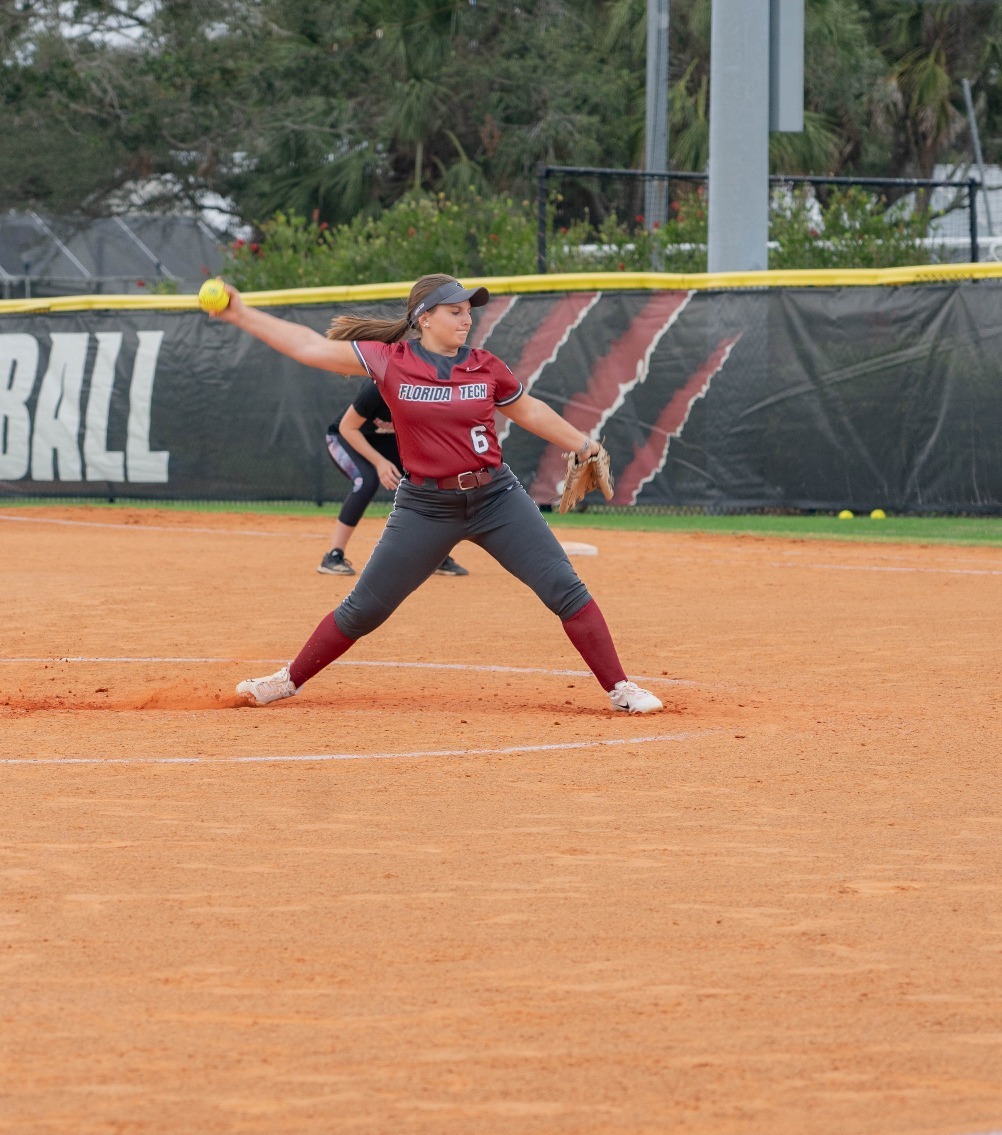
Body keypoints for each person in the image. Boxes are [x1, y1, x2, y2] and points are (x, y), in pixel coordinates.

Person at [209, 273, 663, 715]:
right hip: (425, 507)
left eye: (468, 311)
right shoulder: (390, 359)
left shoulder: (485, 365)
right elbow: (310, 347)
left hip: (496, 499)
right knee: (364, 609)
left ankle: (620, 687)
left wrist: (583, 444)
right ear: (424, 318)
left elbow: (529, 410)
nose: (466, 320)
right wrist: (242, 314)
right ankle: (287, 680)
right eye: (455, 311)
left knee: (564, 588)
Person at [319, 383, 468, 577]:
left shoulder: (424, 392)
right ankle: (333, 555)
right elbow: (347, 428)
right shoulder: (376, 388)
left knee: (427, 480)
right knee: (366, 481)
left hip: (386, 440)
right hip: (345, 437)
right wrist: (379, 462)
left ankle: (435, 555)